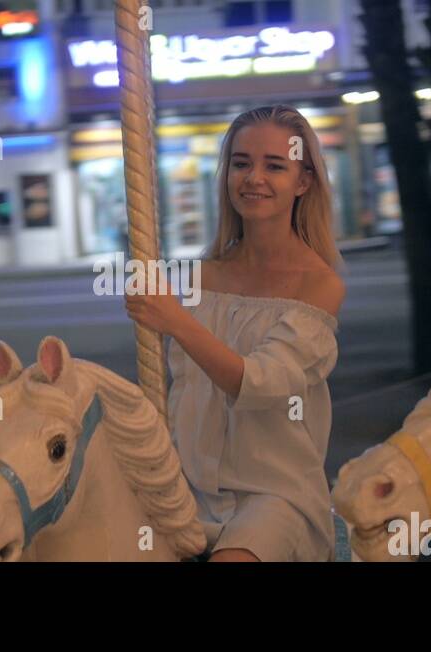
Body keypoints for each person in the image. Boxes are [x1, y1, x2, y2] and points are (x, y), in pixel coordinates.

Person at [125, 105, 345, 562]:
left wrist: (175, 321)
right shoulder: (200, 276)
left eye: (274, 166)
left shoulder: (319, 286)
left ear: (303, 182)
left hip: (273, 495)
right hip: (188, 487)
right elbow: (178, 391)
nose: (253, 178)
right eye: (241, 163)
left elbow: (259, 383)